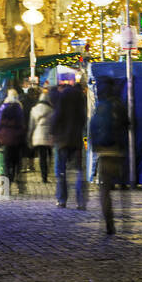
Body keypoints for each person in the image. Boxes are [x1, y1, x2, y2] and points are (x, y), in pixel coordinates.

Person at [89, 78, 129, 234]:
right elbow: (128, 124)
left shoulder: (99, 107)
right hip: (118, 152)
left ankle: (109, 223)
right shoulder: (119, 105)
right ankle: (125, 222)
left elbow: (92, 127)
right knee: (123, 189)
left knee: (105, 191)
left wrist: (95, 147)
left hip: (103, 153)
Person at [50, 77, 87, 209]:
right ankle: (80, 201)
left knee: (61, 171)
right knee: (78, 171)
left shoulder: (62, 100)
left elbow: (55, 118)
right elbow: (83, 120)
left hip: (62, 141)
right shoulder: (79, 102)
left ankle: (61, 199)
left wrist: (52, 133)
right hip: (76, 141)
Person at [0, 88, 27, 192]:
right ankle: (20, 186)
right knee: (17, 163)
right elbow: (22, 123)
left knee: (6, 163)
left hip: (6, 138)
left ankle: (6, 188)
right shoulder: (19, 107)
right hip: (17, 138)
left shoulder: (3, 107)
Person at [27, 85, 54, 183]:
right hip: (48, 136)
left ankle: (44, 176)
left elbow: (31, 125)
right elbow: (53, 124)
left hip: (38, 137)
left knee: (42, 156)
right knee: (48, 154)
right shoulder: (51, 110)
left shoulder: (34, 109)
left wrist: (29, 135)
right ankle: (47, 172)